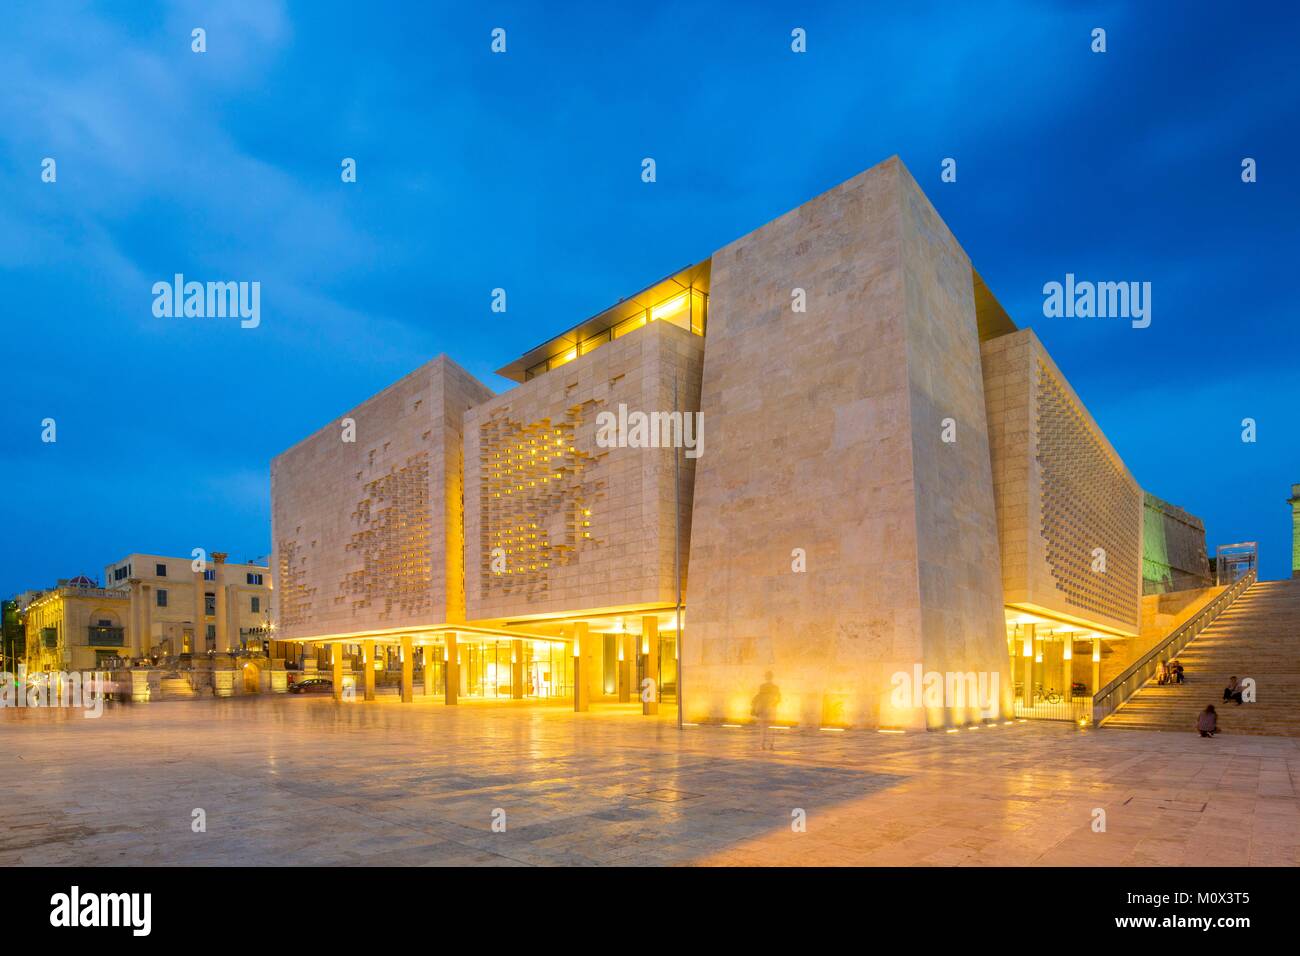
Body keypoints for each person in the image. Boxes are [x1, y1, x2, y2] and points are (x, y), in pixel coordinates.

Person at [750, 672, 781, 751]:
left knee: (763, 728)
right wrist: (774, 704)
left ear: (766, 677)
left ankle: (762, 745)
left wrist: (753, 705)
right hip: (771, 709)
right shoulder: (775, 687)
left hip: (763, 708)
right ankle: (771, 745)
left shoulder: (762, 686)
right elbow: (779, 698)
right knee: (771, 728)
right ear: (772, 677)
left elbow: (759, 696)